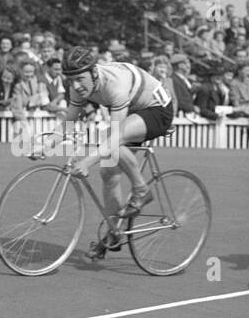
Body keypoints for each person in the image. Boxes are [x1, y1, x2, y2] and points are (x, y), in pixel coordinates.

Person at [57, 46, 175, 260]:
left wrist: (86, 162)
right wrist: (44, 144)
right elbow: (69, 121)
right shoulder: (77, 83)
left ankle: (141, 190)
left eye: (80, 79)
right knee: (108, 174)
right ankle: (115, 232)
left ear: (94, 73)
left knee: (112, 139)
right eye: (70, 80)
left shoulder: (115, 83)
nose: (75, 86)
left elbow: (115, 138)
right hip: (131, 109)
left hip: (156, 109)